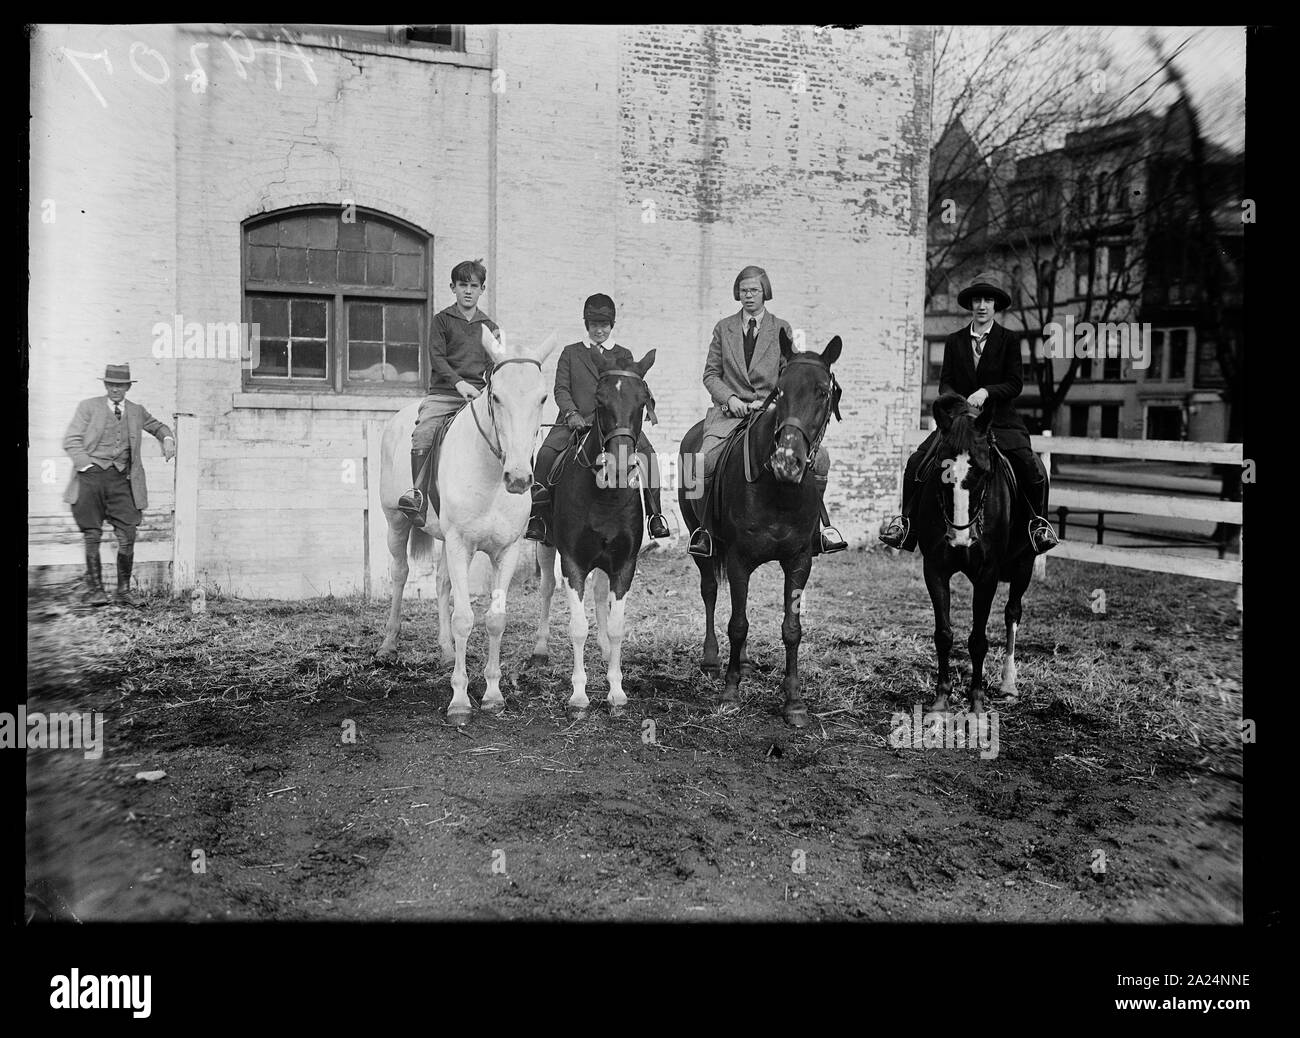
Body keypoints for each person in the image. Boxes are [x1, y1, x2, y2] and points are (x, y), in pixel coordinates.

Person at [879, 270, 1059, 554]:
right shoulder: (954, 341)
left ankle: (1038, 527)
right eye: (977, 300)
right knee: (916, 463)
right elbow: (945, 383)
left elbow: (1015, 383)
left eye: (988, 300)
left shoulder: (1009, 340)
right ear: (971, 305)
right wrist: (959, 403)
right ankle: (906, 526)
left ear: (995, 305)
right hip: (960, 424)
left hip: (999, 421)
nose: (982, 305)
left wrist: (987, 392)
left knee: (1032, 468)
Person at [687, 265, 847, 558]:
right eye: (743, 291)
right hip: (729, 415)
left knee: (821, 459)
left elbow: (791, 372)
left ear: (765, 293)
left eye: (754, 290)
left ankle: (816, 531)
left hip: (771, 413)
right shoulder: (723, 328)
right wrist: (730, 399)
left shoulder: (781, 328)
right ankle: (704, 530)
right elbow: (710, 375)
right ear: (737, 294)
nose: (748, 296)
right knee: (700, 461)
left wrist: (775, 403)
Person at [526, 293, 670, 544]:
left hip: (616, 424)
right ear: (587, 324)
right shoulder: (571, 353)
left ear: (611, 325)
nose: (599, 330)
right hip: (575, 423)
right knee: (546, 455)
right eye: (594, 324)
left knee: (649, 455)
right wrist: (571, 413)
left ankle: (655, 514)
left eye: (604, 324)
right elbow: (561, 389)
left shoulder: (623, 354)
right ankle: (538, 517)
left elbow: (630, 390)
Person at [397, 259, 501, 526]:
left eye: (474, 286)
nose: (468, 291)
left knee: (509, 426)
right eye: (462, 285)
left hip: (478, 396)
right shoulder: (442, 320)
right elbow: (437, 357)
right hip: (445, 394)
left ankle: (522, 493)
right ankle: (418, 495)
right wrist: (458, 383)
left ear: (482, 289)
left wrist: (488, 386)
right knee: (423, 431)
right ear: (453, 287)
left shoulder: (491, 327)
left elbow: (494, 365)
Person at [63, 364, 176, 606]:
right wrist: (86, 466)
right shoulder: (88, 407)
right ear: (105, 385)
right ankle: (96, 590)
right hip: (90, 479)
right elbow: (71, 440)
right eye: (111, 384)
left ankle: (123, 592)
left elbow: (158, 427)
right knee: (92, 534)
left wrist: (167, 439)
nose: (115, 389)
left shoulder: (136, 411)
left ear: (127, 387)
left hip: (122, 480)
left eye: (120, 385)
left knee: (127, 534)